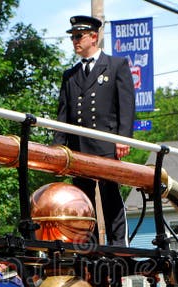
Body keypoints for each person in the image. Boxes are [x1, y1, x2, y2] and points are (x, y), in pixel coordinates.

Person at [53, 15, 135, 247]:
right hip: (79, 146)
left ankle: (118, 244)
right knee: (83, 199)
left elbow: (126, 105)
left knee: (110, 195)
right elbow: (63, 113)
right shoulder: (70, 75)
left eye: (79, 36)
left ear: (94, 37)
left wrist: (123, 138)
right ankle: (88, 244)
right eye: (73, 37)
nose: (75, 41)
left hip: (106, 144)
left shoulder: (116, 65)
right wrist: (58, 148)